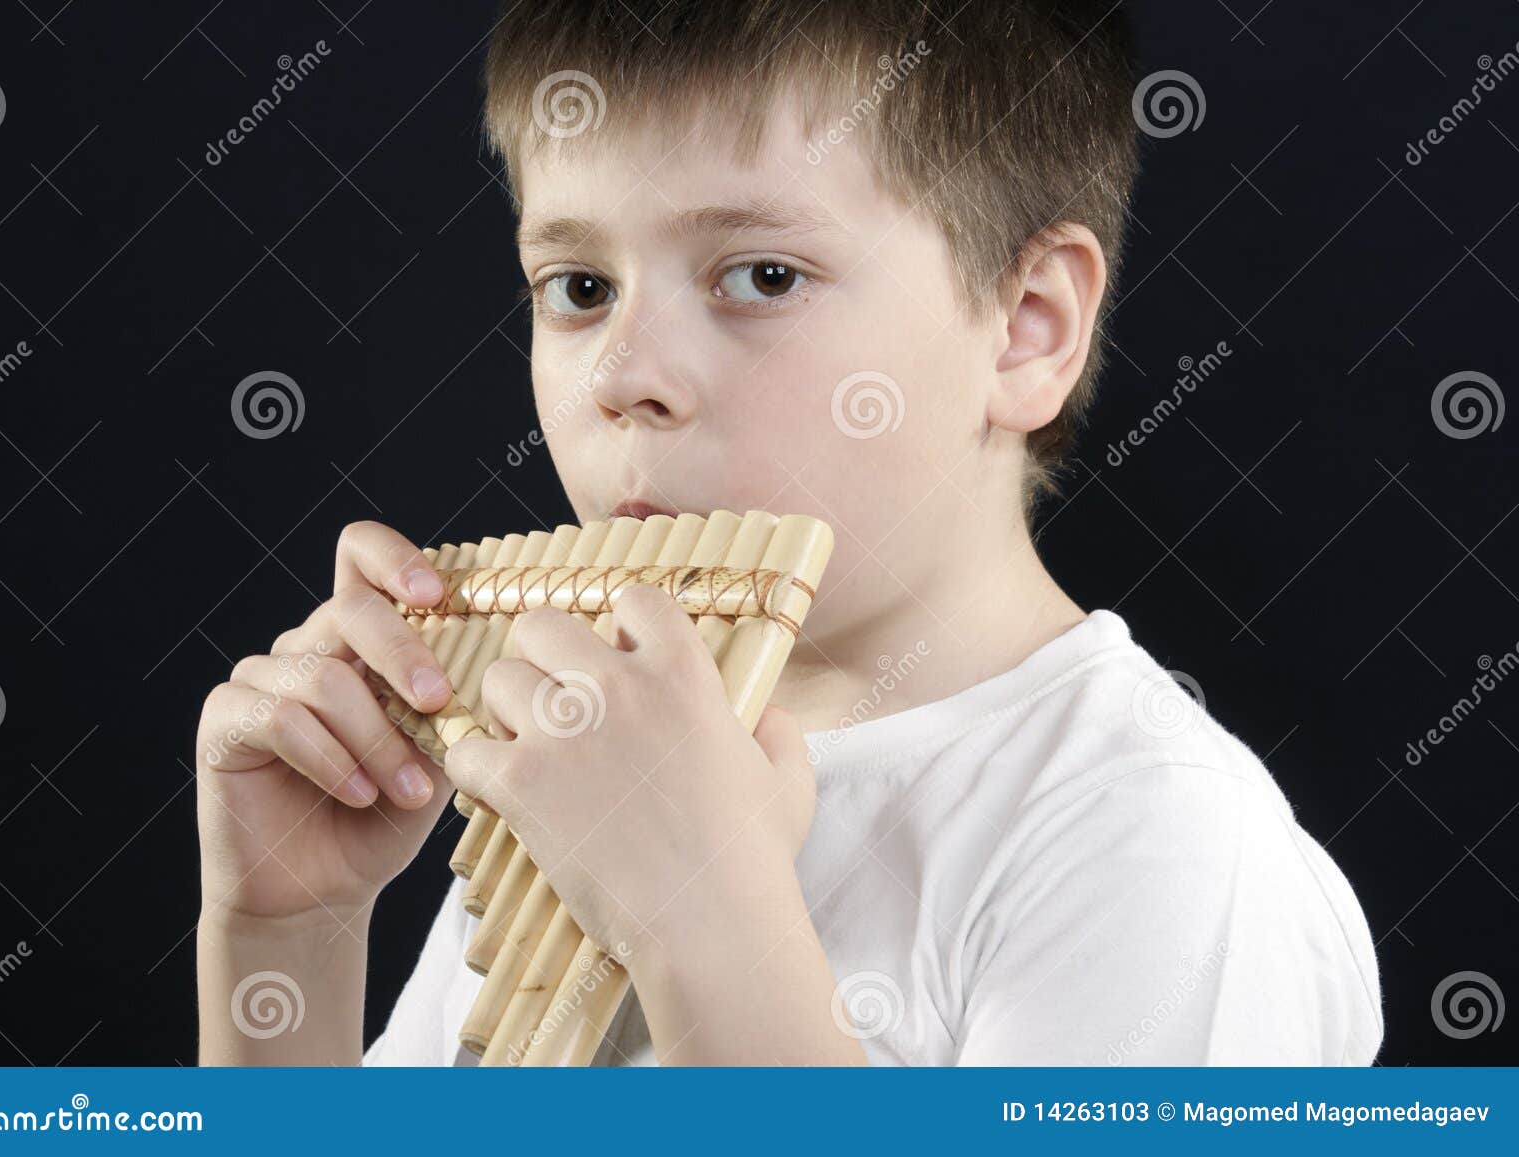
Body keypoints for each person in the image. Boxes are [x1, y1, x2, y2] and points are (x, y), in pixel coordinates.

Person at [195, 0, 1385, 1066]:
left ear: (1025, 325)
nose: (622, 374)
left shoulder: (1162, 847)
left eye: (761, 275)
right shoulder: (568, 751)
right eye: (579, 287)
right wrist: (288, 937)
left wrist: (707, 926)